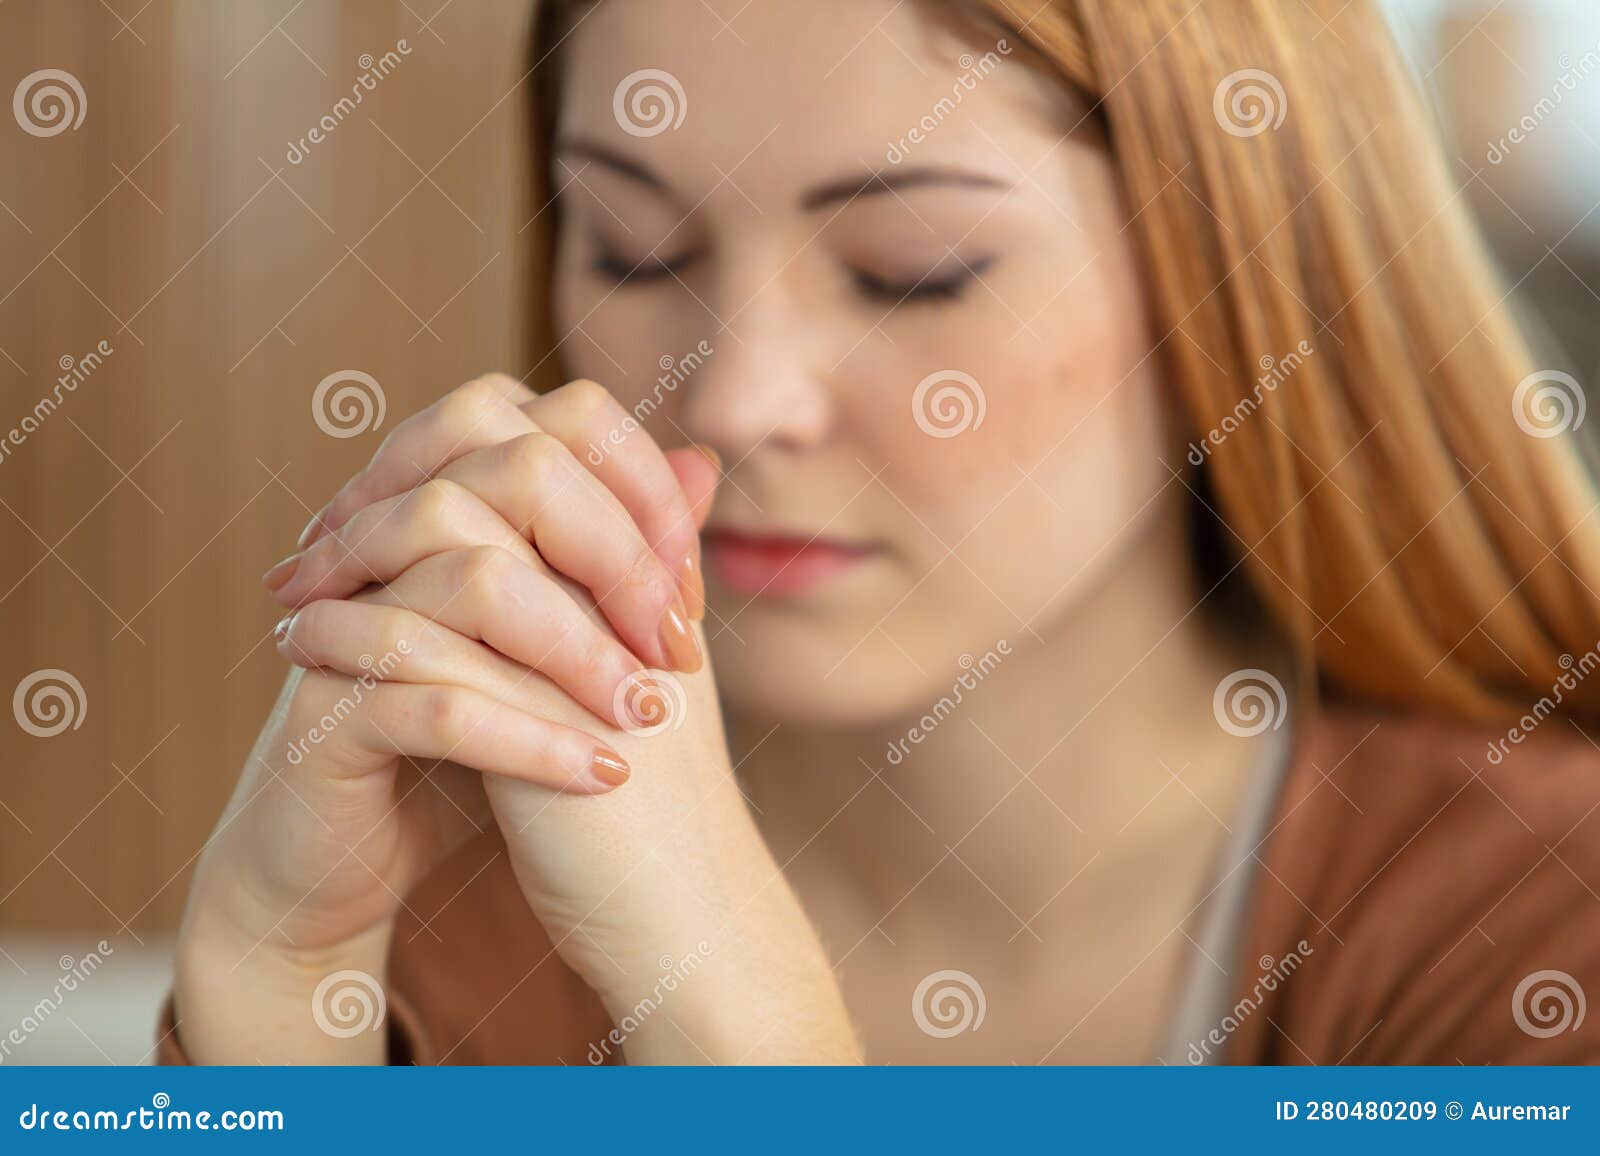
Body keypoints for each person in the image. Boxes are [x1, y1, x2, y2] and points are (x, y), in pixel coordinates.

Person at [164, 0, 1600, 1064]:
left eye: (915, 274)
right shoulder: (440, 907)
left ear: (1234, 279)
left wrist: (745, 1043)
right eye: (633, 246)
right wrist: (271, 991)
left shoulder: (1538, 938)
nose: (735, 395)